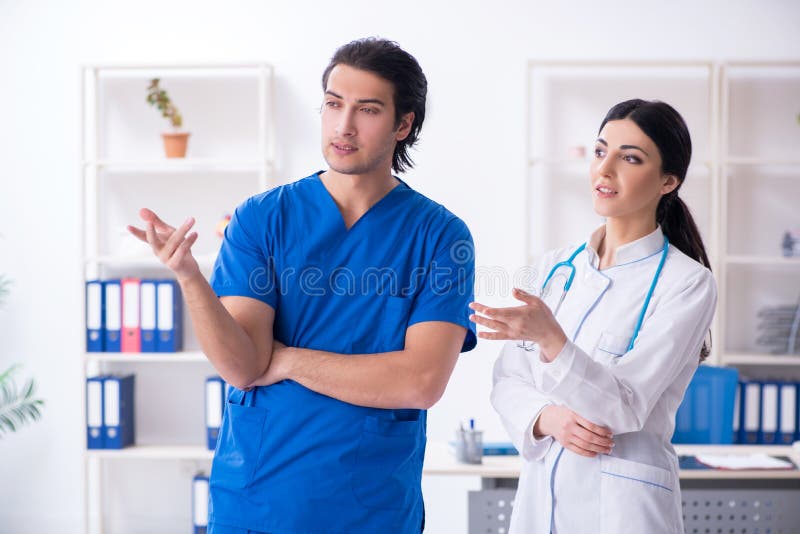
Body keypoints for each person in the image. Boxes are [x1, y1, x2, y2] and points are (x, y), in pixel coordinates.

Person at [128, 37, 476, 533]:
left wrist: (288, 359)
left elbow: (420, 382)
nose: (343, 125)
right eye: (333, 104)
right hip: (259, 496)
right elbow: (244, 366)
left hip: (372, 506)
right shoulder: (263, 218)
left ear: (404, 124)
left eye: (367, 110)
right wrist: (189, 277)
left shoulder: (439, 236)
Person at [469, 99, 717, 533]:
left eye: (631, 158)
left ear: (668, 181)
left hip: (625, 510)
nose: (605, 170)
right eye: (601, 151)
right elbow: (509, 380)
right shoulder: (555, 267)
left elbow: (625, 406)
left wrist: (552, 341)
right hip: (541, 499)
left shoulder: (687, 282)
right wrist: (547, 419)